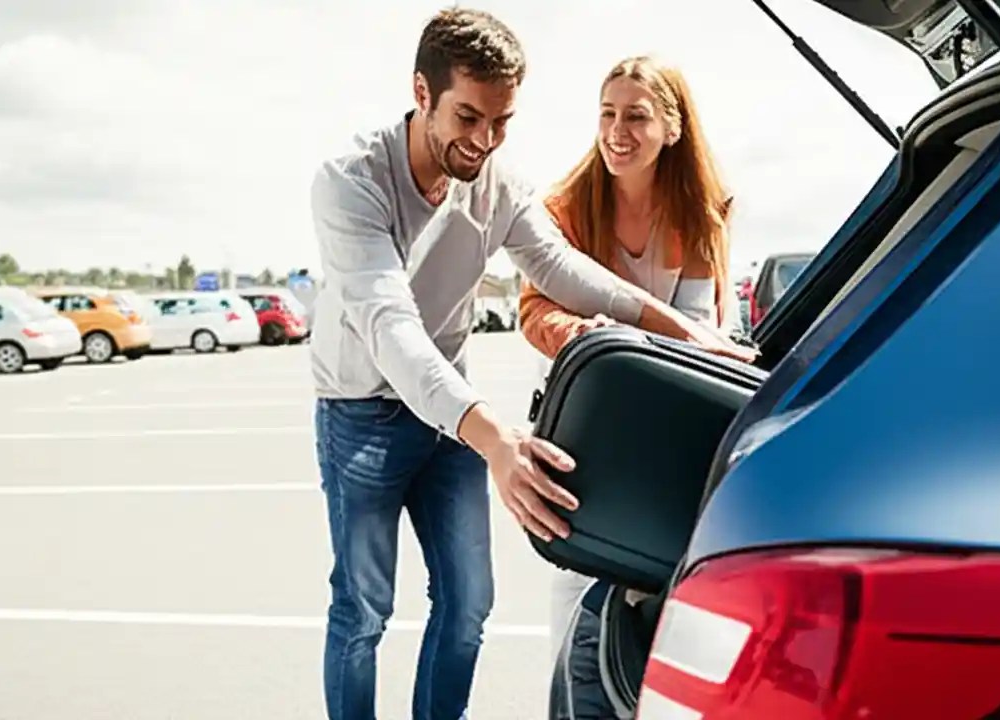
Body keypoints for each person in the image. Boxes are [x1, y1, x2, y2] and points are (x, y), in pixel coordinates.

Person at [307, 10, 755, 720]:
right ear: (421, 92)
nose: (483, 140)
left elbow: (567, 270)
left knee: (468, 606)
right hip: (362, 411)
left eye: (502, 121)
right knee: (364, 607)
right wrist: (497, 440)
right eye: (468, 117)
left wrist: (688, 335)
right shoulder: (351, 183)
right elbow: (391, 328)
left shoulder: (498, 183)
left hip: (451, 412)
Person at [516, 55, 749, 657]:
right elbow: (535, 310)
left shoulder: (701, 209)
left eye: (636, 117)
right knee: (576, 570)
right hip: (586, 415)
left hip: (661, 410)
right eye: (607, 114)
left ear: (672, 128)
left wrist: (632, 346)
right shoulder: (563, 208)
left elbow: (699, 329)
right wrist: (584, 336)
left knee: (660, 571)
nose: (617, 132)